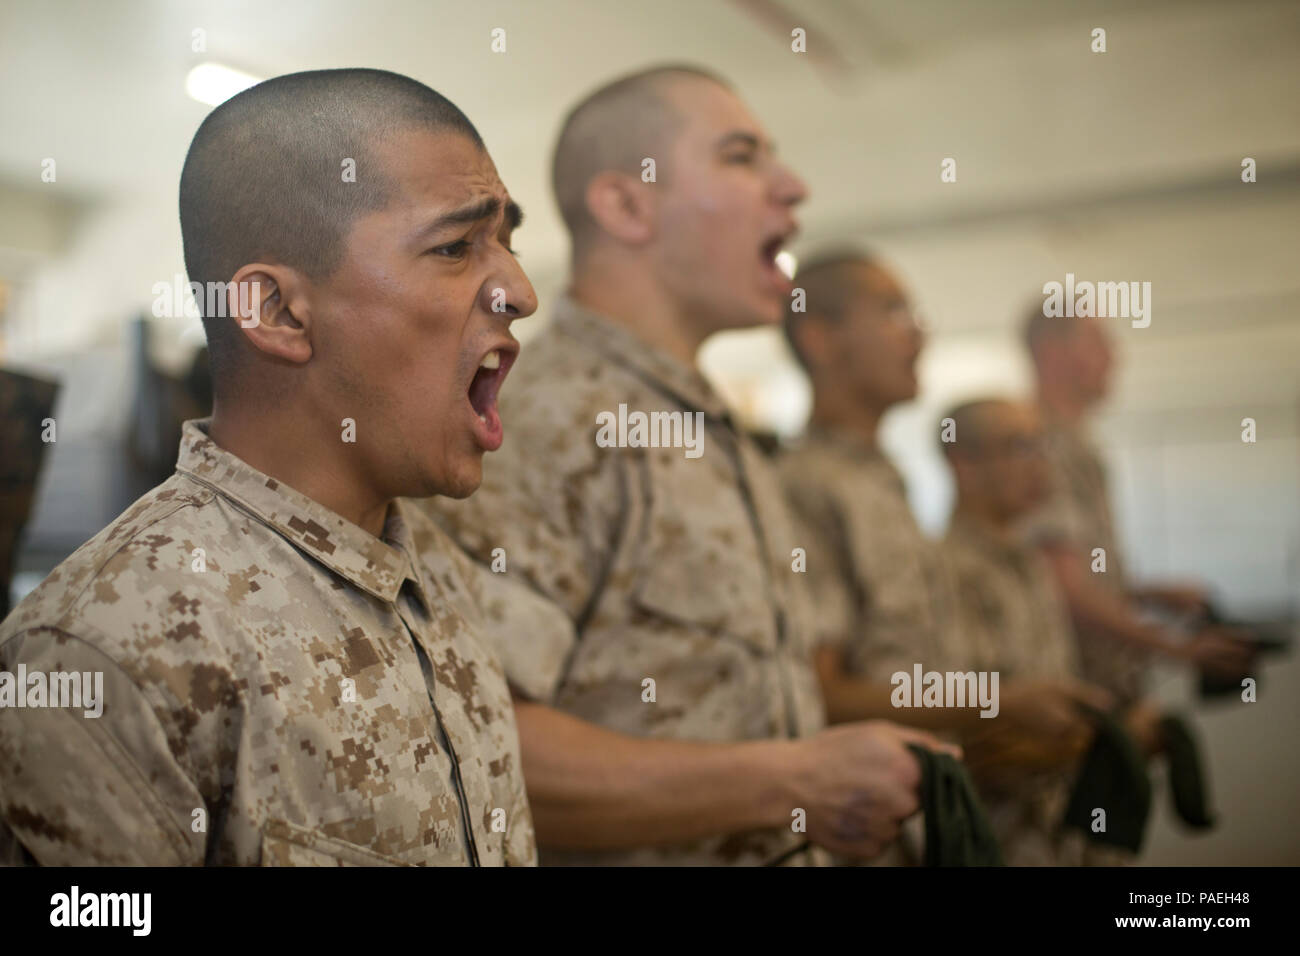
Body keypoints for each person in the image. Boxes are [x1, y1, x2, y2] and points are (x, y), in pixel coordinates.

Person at [0, 69, 540, 866]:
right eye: (457, 246)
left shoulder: (429, 568)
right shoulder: (102, 647)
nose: (520, 291)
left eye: (508, 242)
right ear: (279, 313)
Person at [423, 66, 948, 866]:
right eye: (741, 157)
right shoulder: (549, 418)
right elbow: (480, 748)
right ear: (627, 204)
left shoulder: (707, 428)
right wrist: (794, 781)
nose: (792, 187)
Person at [937, 398, 1170, 864]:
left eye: (1041, 445)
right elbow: (968, 738)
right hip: (998, 839)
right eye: (1019, 446)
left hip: (1061, 832)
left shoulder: (1030, 564)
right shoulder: (942, 574)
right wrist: (1111, 737)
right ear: (964, 464)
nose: (1041, 464)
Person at [1020, 311, 1252, 704]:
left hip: (1098, 688)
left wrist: (1146, 594)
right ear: (1052, 352)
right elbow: (1061, 587)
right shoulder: (1038, 444)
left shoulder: (1073, 444)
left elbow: (1068, 570)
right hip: (1074, 694)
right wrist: (1177, 647)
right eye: (1097, 343)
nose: (1114, 357)